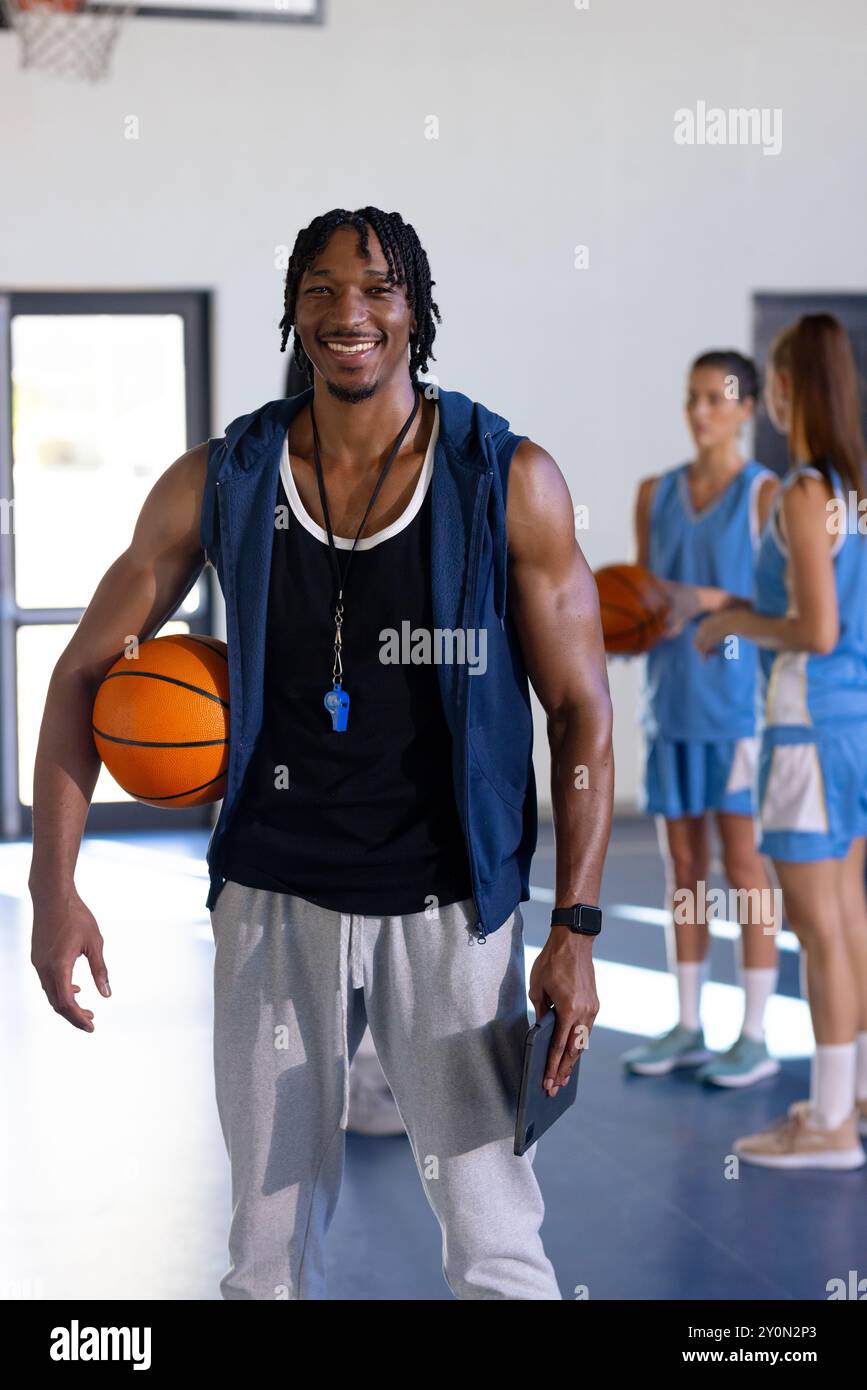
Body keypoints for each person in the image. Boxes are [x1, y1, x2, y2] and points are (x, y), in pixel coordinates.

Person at [28, 206, 614, 1298]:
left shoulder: (505, 477)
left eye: (379, 289)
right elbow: (79, 675)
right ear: (294, 311)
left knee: (495, 1244)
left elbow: (581, 712)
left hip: (448, 906)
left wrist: (576, 926)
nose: (350, 313)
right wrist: (50, 885)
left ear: (416, 314)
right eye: (323, 290)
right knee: (262, 1257)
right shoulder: (224, 478)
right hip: (271, 899)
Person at [695, 313, 867, 1169]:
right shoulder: (852, 488)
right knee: (847, 917)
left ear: (790, 387)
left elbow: (817, 629)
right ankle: (850, 1095)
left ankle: (830, 1126)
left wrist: (732, 619)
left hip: (807, 732)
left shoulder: (804, 491)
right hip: (852, 731)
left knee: (818, 928)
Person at [622, 351, 780, 1085]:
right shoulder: (652, 492)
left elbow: (783, 610)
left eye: (715, 400)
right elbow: (643, 600)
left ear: (746, 409)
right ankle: (687, 1022)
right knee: (683, 868)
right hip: (670, 702)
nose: (700, 412)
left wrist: (710, 602)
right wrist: (622, 624)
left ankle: (753, 1032)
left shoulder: (764, 496)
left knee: (746, 870)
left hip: (737, 711)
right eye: (691, 399)